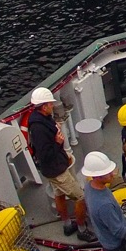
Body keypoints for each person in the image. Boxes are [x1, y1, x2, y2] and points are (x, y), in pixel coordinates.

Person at [27, 87, 94, 241]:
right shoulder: (38, 128)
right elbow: (45, 154)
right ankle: (82, 230)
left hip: (52, 169)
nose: (52, 105)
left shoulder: (40, 119)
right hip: (56, 170)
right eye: (50, 104)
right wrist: (58, 142)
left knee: (59, 194)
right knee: (80, 197)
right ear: (44, 106)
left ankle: (67, 224)